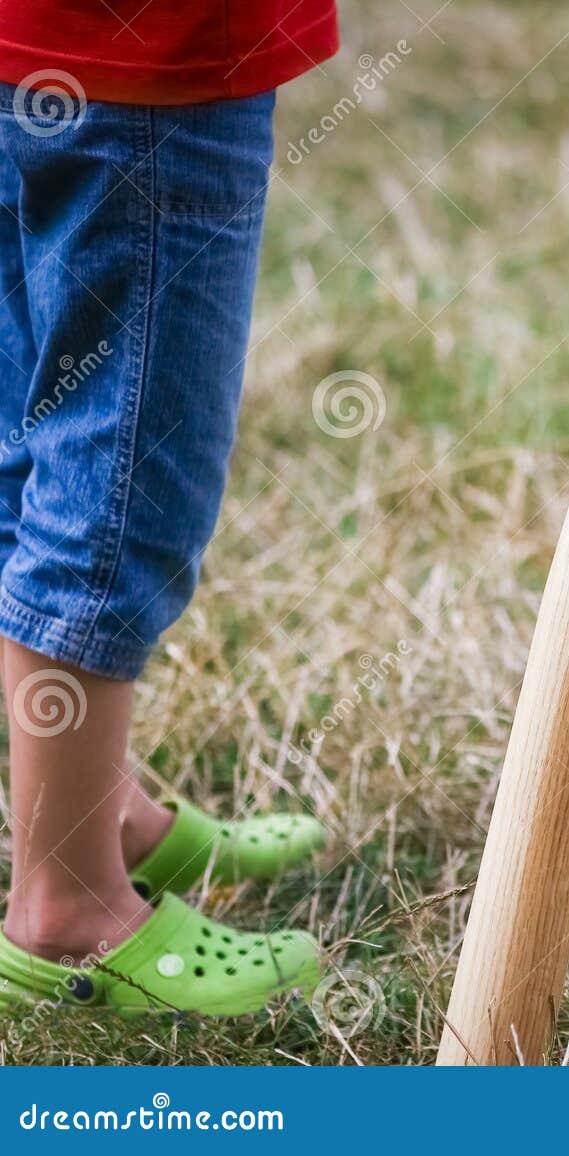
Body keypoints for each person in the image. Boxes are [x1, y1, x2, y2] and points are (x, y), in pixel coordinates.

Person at [0, 2, 338, 1015]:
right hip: (148, 64)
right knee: (117, 491)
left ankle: (94, 812)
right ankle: (70, 907)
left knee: (31, 442)